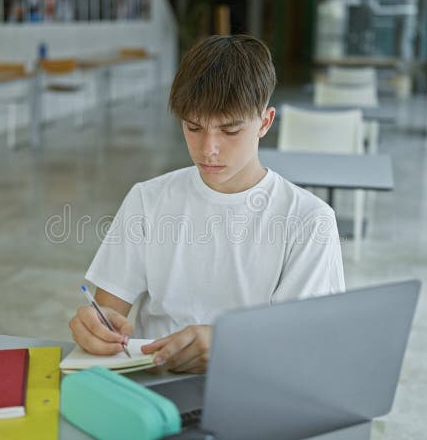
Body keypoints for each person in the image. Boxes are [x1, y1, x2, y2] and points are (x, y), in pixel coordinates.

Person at [68, 35, 345, 374]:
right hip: (152, 383)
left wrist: (232, 346)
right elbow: (109, 312)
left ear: (265, 122)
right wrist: (97, 327)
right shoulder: (149, 200)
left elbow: (307, 343)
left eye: (230, 131)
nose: (208, 149)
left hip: (256, 383)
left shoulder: (308, 220)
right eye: (194, 127)